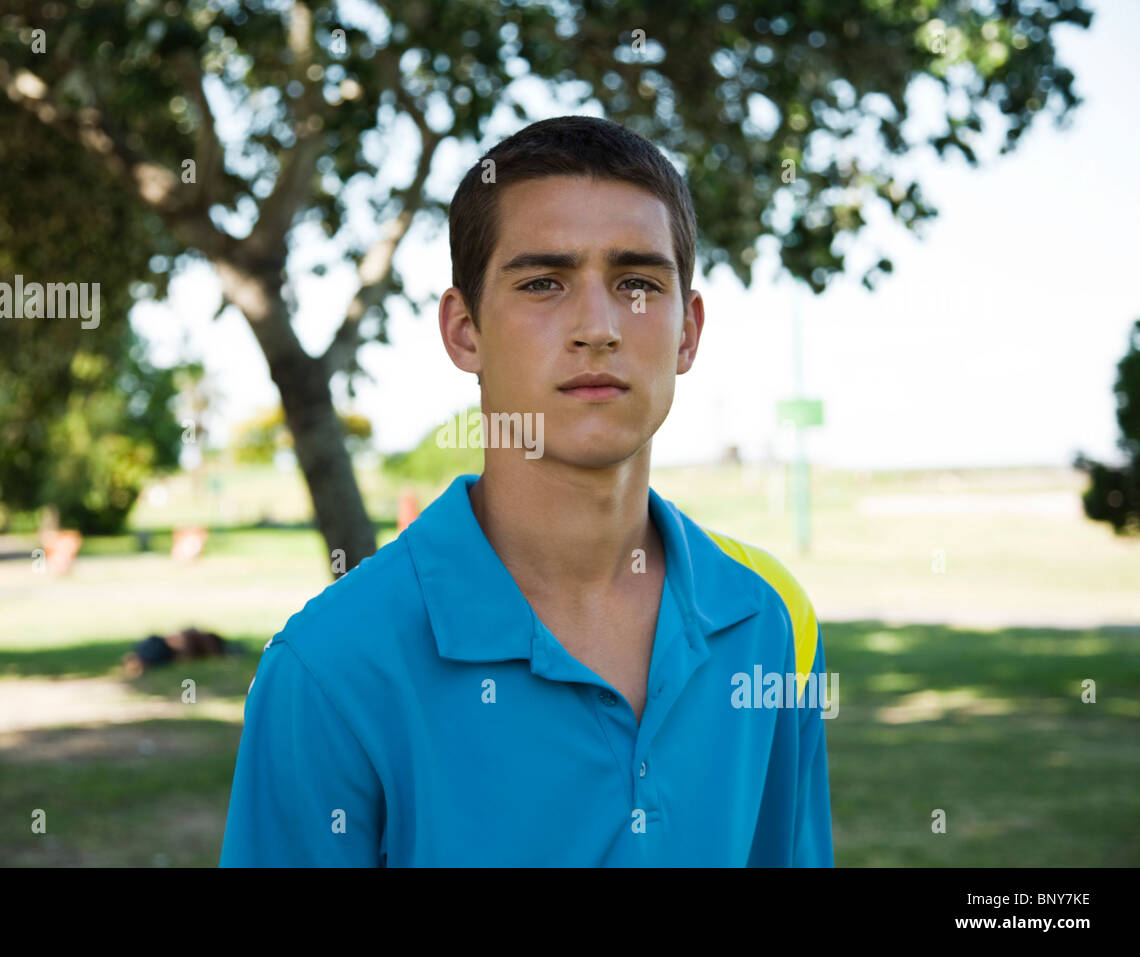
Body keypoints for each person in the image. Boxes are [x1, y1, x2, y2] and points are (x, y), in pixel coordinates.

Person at [220, 115, 834, 867]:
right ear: (464, 330)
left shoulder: (767, 621)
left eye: (637, 282)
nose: (598, 326)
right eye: (544, 282)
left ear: (687, 331)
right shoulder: (329, 667)